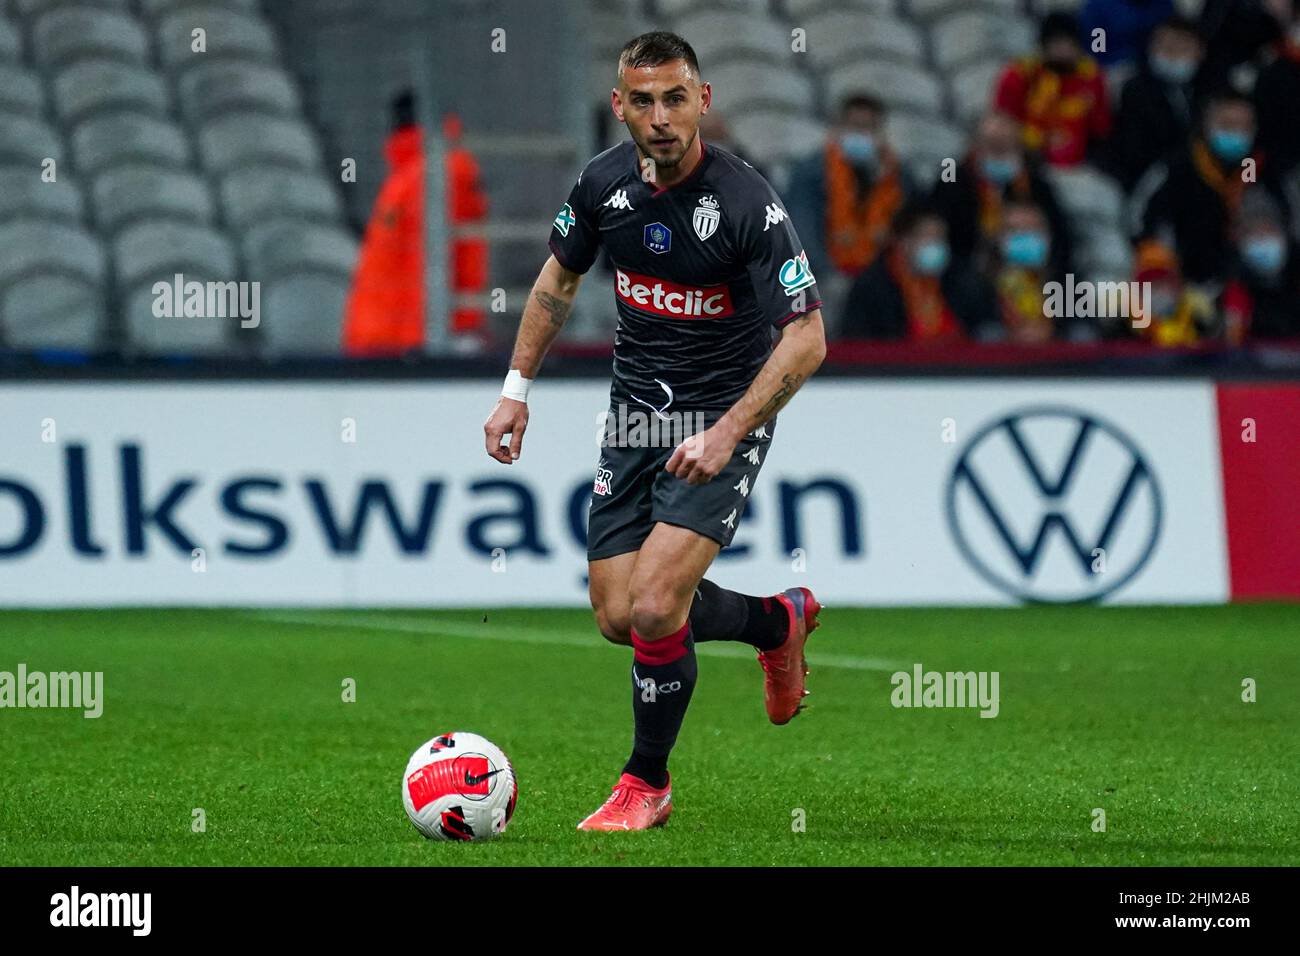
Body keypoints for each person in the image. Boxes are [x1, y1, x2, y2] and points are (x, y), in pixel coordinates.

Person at [482, 32, 826, 832]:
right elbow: (557, 281)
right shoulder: (602, 184)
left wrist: (729, 431)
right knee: (617, 615)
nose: (661, 116)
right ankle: (776, 622)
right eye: (644, 101)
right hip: (635, 414)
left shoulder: (746, 204)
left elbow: (806, 338)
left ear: (703, 101)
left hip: (723, 417)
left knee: (657, 603)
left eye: (676, 98)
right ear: (619, 106)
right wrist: (515, 391)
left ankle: (647, 784)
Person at [1131, 89, 1290, 284]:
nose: (1237, 134)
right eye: (1228, 125)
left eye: (1244, 127)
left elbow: (1287, 221)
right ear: (1207, 124)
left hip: (1251, 282)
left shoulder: (1262, 169)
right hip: (1185, 281)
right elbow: (1141, 221)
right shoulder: (1177, 168)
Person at [784, 92, 910, 292]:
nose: (861, 135)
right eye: (855, 127)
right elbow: (801, 231)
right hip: (825, 275)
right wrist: (824, 273)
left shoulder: (898, 176)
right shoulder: (810, 172)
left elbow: (909, 229)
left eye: (869, 128)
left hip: (883, 278)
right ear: (839, 128)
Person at [929, 111, 1073, 278]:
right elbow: (937, 233)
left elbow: (1060, 241)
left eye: (1008, 145)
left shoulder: (1036, 185)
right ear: (976, 146)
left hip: (1031, 276)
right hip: (969, 275)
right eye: (993, 145)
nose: (1000, 152)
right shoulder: (952, 180)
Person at [841, 201, 997, 341]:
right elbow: (859, 341)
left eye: (940, 237)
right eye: (927, 236)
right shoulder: (872, 286)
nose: (935, 244)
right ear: (902, 242)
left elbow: (984, 328)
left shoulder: (961, 280)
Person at [994, 12, 1112, 167]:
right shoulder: (1020, 74)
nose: (1064, 51)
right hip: (1028, 158)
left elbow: (1101, 129)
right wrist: (1039, 141)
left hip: (1081, 163)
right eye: (1057, 44)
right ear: (1044, 46)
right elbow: (1004, 123)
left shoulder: (1091, 76)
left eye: (1070, 44)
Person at [1111, 15, 1209, 190]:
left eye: (1181, 49)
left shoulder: (1209, 89)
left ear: (1200, 52)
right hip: (1148, 177)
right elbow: (1134, 148)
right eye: (1165, 47)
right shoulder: (1135, 90)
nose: (1171, 56)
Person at [1221, 190, 1300, 339]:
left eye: (1268, 231)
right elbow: (1231, 344)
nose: (1263, 241)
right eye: (1254, 234)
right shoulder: (1235, 291)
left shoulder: (1295, 278)